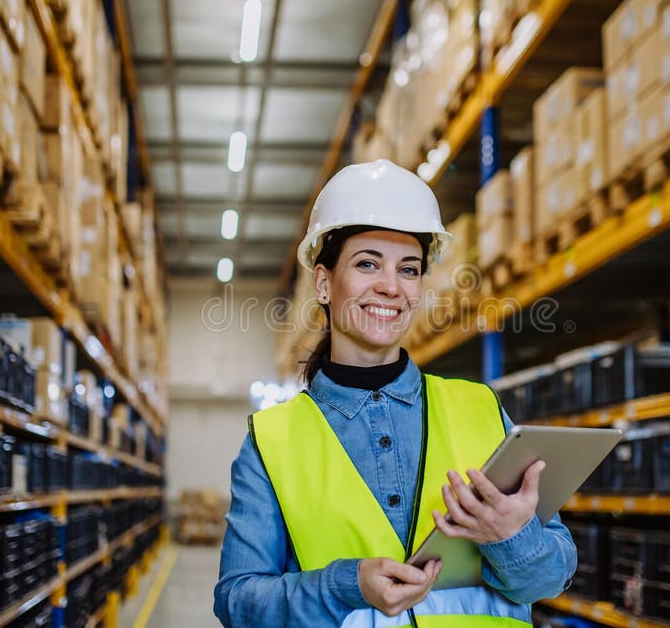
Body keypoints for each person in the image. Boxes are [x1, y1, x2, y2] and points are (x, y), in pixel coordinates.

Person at [214, 160, 576, 627]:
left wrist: (513, 538)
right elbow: (237, 601)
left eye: (409, 269)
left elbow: (553, 575)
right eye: (367, 264)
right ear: (324, 283)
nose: (390, 287)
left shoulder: (480, 409)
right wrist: (347, 585)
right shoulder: (271, 440)